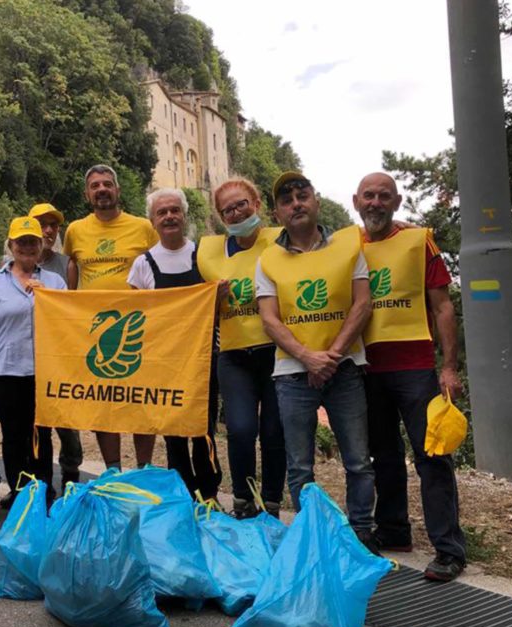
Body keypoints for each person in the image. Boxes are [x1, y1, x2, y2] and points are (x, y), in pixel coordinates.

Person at [255, 171, 377, 554]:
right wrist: (308, 357)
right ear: (277, 212)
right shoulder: (268, 259)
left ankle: (361, 534)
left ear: (316, 199)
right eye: (287, 199)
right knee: (300, 466)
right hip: (292, 374)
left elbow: (363, 304)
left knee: (358, 460)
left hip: (344, 370)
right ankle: (309, 535)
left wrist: (331, 356)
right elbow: (269, 319)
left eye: (302, 194)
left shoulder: (347, 246)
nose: (296, 203)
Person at [353, 171, 467, 581]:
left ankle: (449, 550)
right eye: (369, 196)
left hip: (415, 367)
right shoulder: (347, 246)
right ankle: (394, 531)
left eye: (384, 196)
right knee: (381, 455)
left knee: (432, 456)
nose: (376, 203)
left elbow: (443, 307)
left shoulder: (419, 241)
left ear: (396, 202)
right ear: (356, 201)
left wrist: (448, 366)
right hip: (366, 369)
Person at [198, 178, 286, 519]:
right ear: (221, 217)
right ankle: (243, 499)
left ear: (257, 204)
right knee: (240, 429)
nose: (236, 213)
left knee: (274, 430)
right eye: (227, 210)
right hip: (234, 354)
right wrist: (210, 299)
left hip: (276, 350)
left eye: (241, 205)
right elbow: (191, 299)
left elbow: (319, 246)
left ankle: (272, 502)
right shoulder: (208, 252)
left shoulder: (280, 239)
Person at [127, 188, 222, 502]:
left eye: (174, 210)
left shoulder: (205, 255)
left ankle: (209, 495)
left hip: (203, 359)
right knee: (174, 435)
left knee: (203, 432)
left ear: (184, 215)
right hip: (164, 363)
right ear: (152, 220)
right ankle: (182, 497)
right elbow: (133, 314)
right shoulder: (143, 264)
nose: (168, 216)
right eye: (161, 212)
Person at [62, 164, 158, 469]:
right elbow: (73, 264)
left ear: (117, 190)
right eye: (95, 186)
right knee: (104, 403)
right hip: (95, 331)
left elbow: (158, 266)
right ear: (87, 194)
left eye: (107, 184)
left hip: (138, 327)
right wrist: (69, 308)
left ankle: (142, 469)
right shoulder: (76, 229)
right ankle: (112, 470)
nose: (101, 189)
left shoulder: (143, 227)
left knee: (141, 401)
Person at [0, 216, 67, 506]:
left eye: (32, 242)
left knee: (41, 433)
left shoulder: (54, 281)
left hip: (42, 370)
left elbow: (67, 324)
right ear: (10, 245)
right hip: (3, 370)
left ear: (41, 245)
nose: (26, 247)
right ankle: (20, 490)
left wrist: (46, 298)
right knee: (13, 433)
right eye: (20, 242)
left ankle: (44, 489)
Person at [29, 202, 83, 490]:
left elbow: (75, 306)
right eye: (42, 224)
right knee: (38, 424)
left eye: (53, 225)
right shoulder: (11, 263)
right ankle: (40, 483)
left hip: (62, 355)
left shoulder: (67, 265)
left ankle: (71, 476)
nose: (48, 230)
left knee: (68, 421)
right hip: (30, 355)